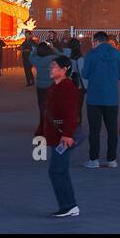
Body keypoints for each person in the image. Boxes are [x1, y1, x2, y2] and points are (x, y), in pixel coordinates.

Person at [37, 55, 81, 217]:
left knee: (56, 171)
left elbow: (71, 112)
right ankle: (70, 205)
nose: (51, 68)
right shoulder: (53, 87)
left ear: (64, 70)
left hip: (65, 137)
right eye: (51, 66)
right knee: (60, 170)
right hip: (58, 136)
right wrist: (40, 132)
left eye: (54, 66)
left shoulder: (67, 87)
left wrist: (68, 134)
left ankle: (68, 205)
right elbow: (47, 114)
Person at [81, 31, 120, 169]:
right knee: (112, 130)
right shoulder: (117, 54)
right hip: (111, 97)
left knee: (94, 130)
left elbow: (85, 73)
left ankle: (94, 159)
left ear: (96, 41)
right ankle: (112, 159)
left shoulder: (92, 54)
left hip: (94, 97)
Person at [30, 41, 61, 126]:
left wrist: (36, 49)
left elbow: (31, 56)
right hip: (51, 84)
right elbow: (62, 56)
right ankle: (51, 122)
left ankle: (43, 122)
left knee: (41, 105)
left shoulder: (36, 60)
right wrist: (53, 48)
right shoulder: (52, 59)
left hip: (40, 85)